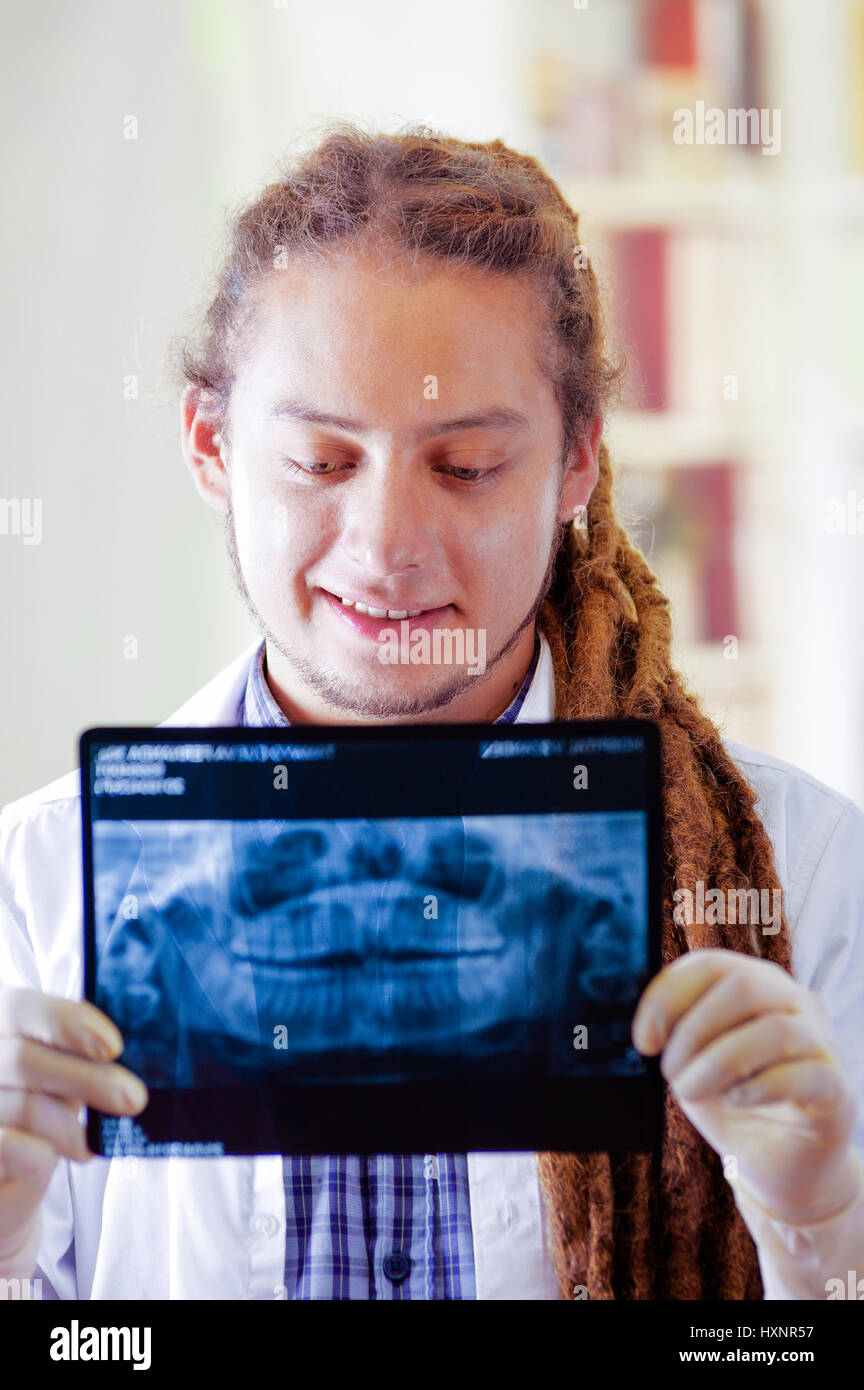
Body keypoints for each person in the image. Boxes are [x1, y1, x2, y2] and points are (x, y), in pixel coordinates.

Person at [1, 122, 863, 1301]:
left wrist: (825, 1240)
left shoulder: (800, 877)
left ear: (576, 468)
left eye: (464, 465)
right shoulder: (36, 886)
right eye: (318, 460)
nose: (388, 549)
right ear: (211, 445)